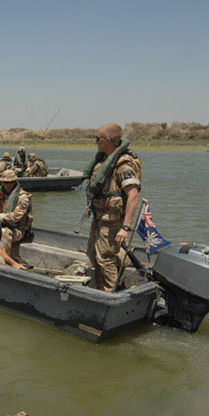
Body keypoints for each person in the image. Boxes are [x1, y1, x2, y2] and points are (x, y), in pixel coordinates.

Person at [83, 123, 141, 292]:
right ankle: (104, 284)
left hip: (113, 221)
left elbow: (133, 195)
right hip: (100, 217)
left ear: (107, 140)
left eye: (97, 139)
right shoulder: (104, 160)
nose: (96, 142)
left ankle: (110, 293)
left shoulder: (123, 164)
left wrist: (125, 227)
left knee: (105, 257)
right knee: (93, 255)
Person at [0, 169, 33, 262]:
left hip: (18, 230)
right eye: (6, 182)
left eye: (11, 182)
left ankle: (4, 261)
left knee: (3, 232)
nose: (8, 185)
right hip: (0, 224)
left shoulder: (23, 197)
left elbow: (15, 217)